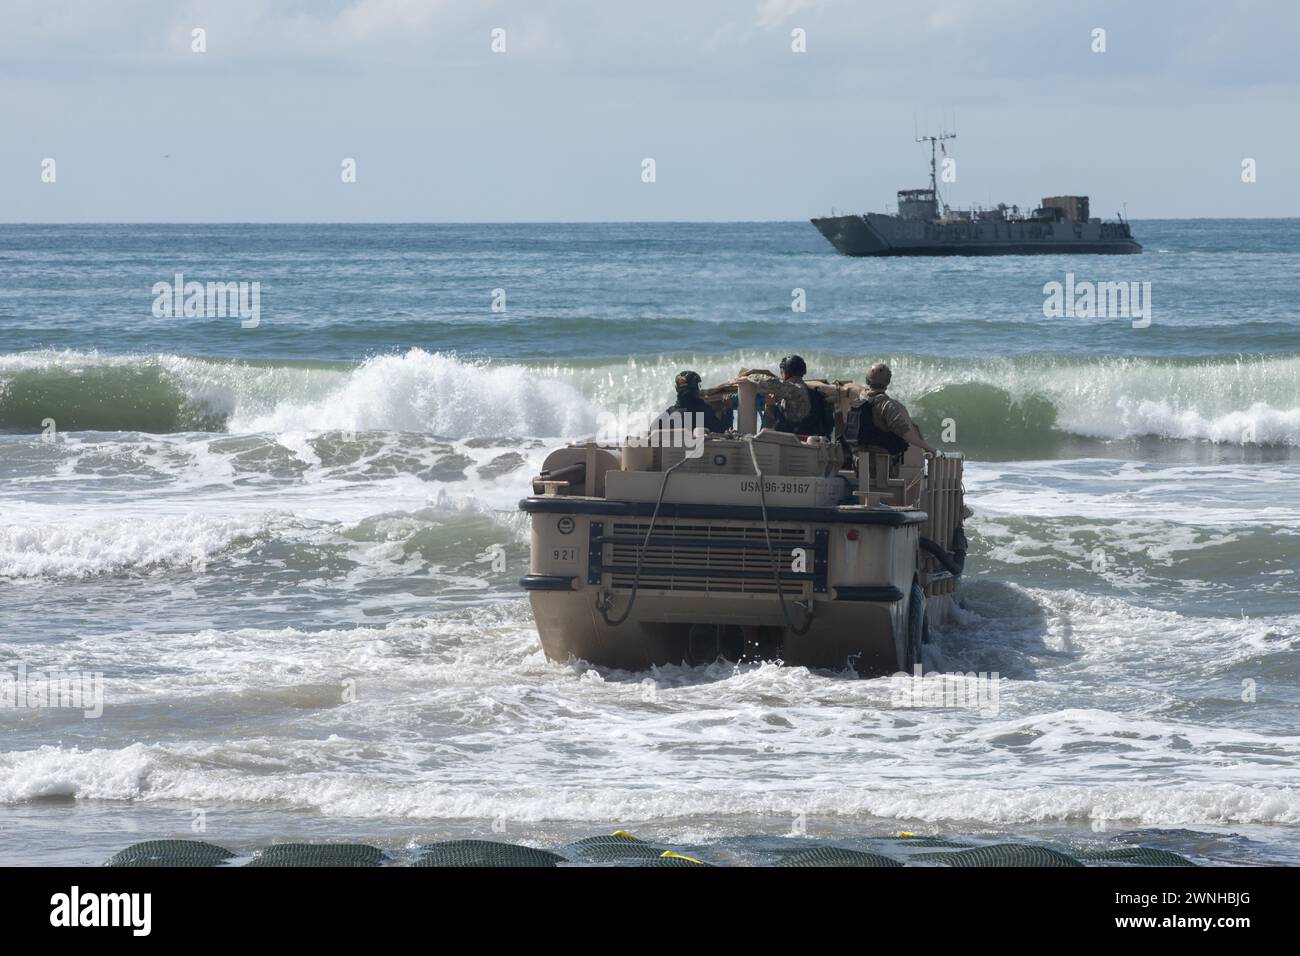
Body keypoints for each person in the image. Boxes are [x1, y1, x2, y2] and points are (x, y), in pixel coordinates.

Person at [846, 363, 940, 456]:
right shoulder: (886, 405)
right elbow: (906, 434)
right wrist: (929, 448)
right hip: (879, 458)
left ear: (868, 380)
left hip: (857, 455)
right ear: (887, 382)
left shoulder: (862, 397)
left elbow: (855, 389)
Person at [737, 355, 813, 432]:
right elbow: (779, 383)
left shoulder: (795, 390)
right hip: (797, 432)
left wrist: (750, 375)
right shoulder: (804, 389)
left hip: (790, 436)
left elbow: (768, 382)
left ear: (786, 372)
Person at [653, 370, 733, 435]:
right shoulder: (704, 411)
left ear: (677, 389)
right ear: (695, 389)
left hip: (671, 454)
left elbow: (652, 428)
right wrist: (728, 408)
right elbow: (723, 431)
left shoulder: (669, 413)